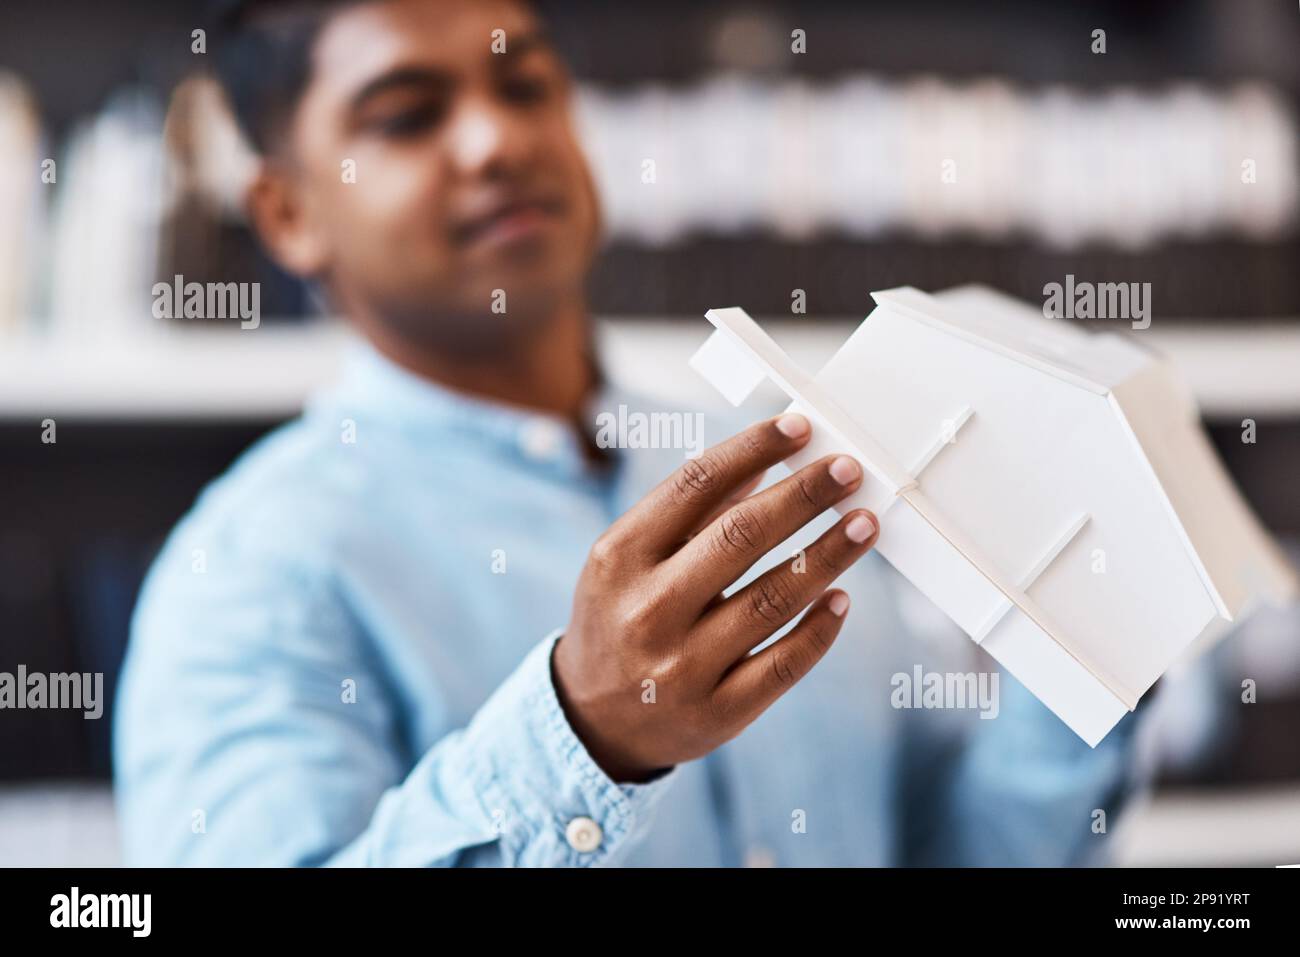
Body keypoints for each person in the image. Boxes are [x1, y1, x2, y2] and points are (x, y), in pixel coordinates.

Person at [114, 0, 1148, 866]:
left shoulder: (783, 463)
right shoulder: (247, 575)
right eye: (408, 116)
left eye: (525, 89)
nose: (497, 140)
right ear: (287, 211)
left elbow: (940, 852)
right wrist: (584, 739)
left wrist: (1087, 663)